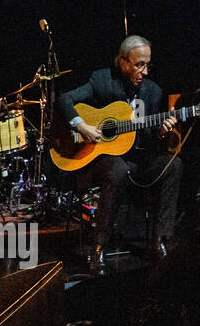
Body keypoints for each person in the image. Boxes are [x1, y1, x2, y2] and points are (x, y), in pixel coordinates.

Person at [55, 35, 180, 275]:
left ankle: (159, 240)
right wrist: (82, 126)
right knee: (117, 169)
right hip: (100, 162)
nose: (144, 71)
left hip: (137, 161)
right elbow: (64, 100)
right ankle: (98, 245)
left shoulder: (153, 92)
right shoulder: (102, 80)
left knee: (173, 165)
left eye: (147, 64)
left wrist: (162, 132)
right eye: (138, 64)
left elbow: (150, 137)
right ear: (122, 62)